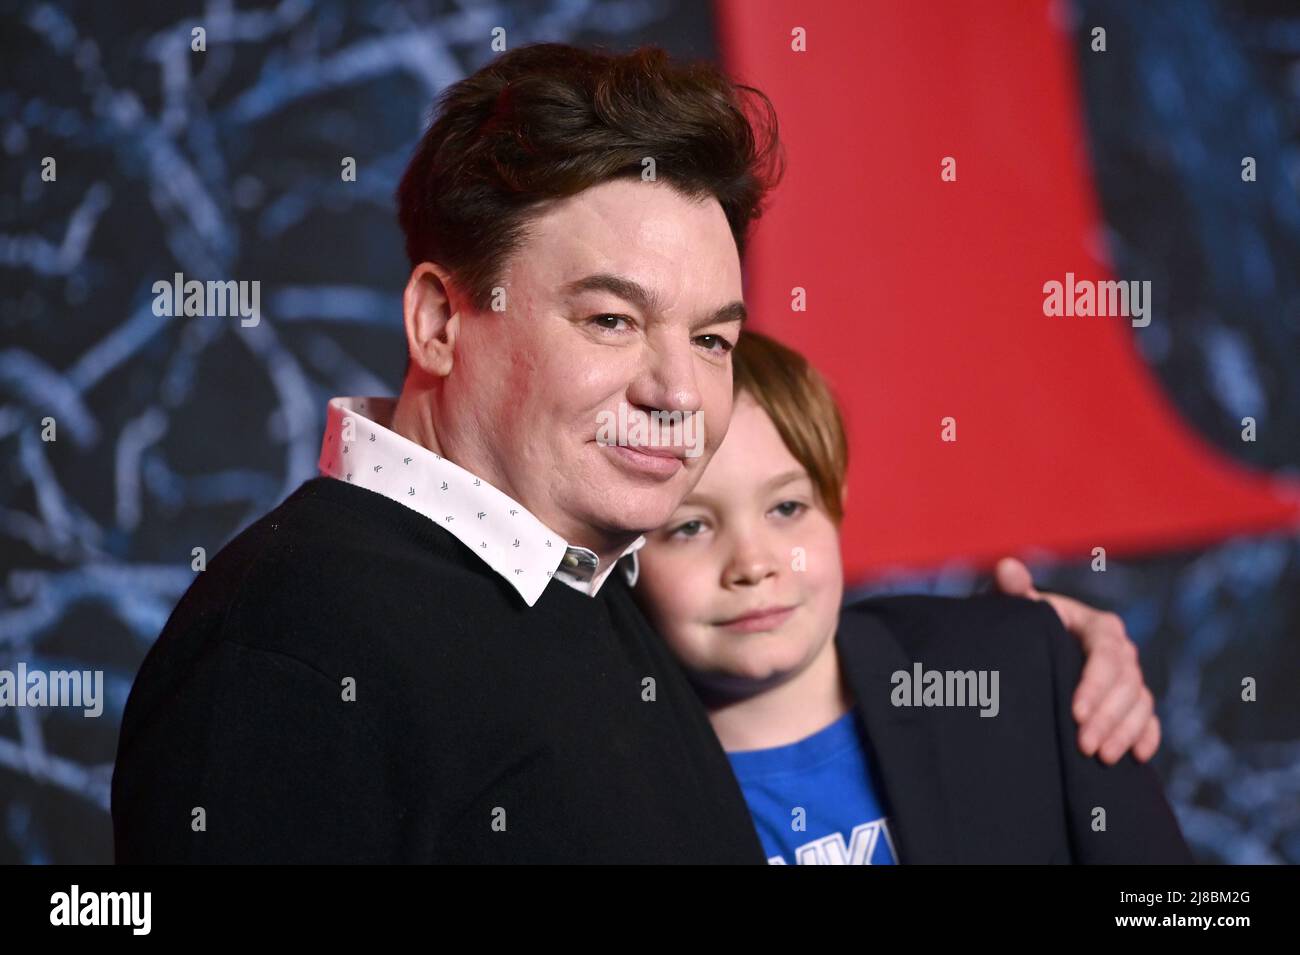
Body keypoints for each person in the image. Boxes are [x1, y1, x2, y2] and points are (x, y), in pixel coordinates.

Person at [113, 43, 1159, 864]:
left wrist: (1027, 655)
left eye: (710, 338)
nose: (675, 391)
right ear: (439, 320)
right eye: (611, 320)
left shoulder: (573, 581)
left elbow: (752, 636)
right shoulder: (284, 650)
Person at [631, 331, 1193, 864]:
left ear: (836, 504)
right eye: (690, 528)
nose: (753, 565)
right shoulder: (608, 790)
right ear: (622, 555)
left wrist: (1042, 646)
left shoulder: (1016, 672)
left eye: (787, 509)